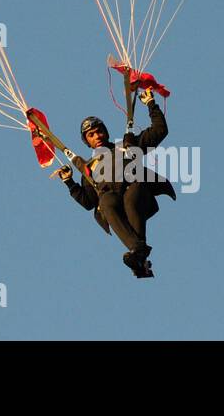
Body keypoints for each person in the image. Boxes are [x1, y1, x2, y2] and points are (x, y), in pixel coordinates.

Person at [54, 88, 175, 278]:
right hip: (113, 201)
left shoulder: (126, 146)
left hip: (136, 190)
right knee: (105, 201)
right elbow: (88, 202)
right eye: (91, 135)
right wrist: (69, 182)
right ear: (87, 141)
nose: (97, 136)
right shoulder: (89, 168)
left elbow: (160, 130)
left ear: (106, 132)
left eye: (99, 131)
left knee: (132, 194)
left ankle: (139, 252)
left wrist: (151, 104)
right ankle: (138, 253)